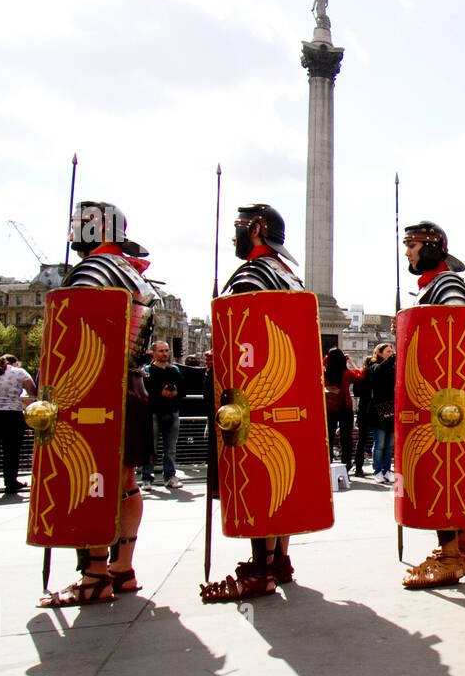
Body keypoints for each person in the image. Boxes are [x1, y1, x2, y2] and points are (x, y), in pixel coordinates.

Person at [39, 201, 159, 605]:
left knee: (90, 477)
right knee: (125, 482)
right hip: (134, 386)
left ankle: (94, 574)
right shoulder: (134, 275)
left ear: (98, 228)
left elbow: (78, 333)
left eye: (81, 222)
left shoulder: (93, 271)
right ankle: (122, 568)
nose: (74, 229)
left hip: (96, 390)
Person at [201, 203, 316, 601]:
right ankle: (279, 560)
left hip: (252, 398)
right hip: (284, 396)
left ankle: (260, 571)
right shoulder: (288, 277)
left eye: (238, 226)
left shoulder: (252, 275)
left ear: (256, 227)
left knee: (257, 476)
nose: (233, 234)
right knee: (277, 477)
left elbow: (246, 339)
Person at [396, 220, 465, 589]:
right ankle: (461, 550)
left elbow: (457, 328)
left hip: (446, 401)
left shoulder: (446, 285)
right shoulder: (432, 286)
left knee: (442, 476)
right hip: (438, 400)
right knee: (445, 474)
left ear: (432, 246)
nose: (407, 252)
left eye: (413, 244)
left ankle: (450, 556)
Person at [0, 353, 36, 498]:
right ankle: (10, 482)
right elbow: (32, 391)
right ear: (15, 363)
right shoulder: (20, 372)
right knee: (11, 451)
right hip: (12, 414)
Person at [139, 340, 184, 490]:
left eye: (166, 350)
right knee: (151, 447)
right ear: (154, 353)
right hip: (154, 412)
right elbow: (145, 392)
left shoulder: (174, 370)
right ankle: (146, 478)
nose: (165, 354)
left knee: (170, 448)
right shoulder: (147, 371)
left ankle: (170, 476)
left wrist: (175, 392)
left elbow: (183, 389)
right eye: (161, 351)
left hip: (172, 411)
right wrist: (160, 393)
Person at [322, 347, 363, 468]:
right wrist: (351, 363)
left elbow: (324, 362)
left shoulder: (324, 373)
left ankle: (328, 461)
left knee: (329, 436)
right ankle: (346, 463)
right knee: (346, 438)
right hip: (345, 406)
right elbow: (359, 377)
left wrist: (327, 358)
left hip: (329, 407)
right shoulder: (347, 374)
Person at [367, 342, 396, 484]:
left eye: (391, 351)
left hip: (391, 406)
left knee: (389, 443)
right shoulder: (374, 366)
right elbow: (380, 370)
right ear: (379, 353)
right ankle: (377, 470)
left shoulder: (392, 369)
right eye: (387, 352)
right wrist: (393, 358)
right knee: (380, 443)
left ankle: (387, 469)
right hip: (379, 407)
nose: (390, 354)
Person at [352, 353, 374, 476]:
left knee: (361, 439)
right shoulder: (375, 376)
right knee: (380, 439)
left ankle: (358, 467)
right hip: (375, 408)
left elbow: (356, 393)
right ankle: (379, 467)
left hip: (363, 409)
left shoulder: (361, 376)